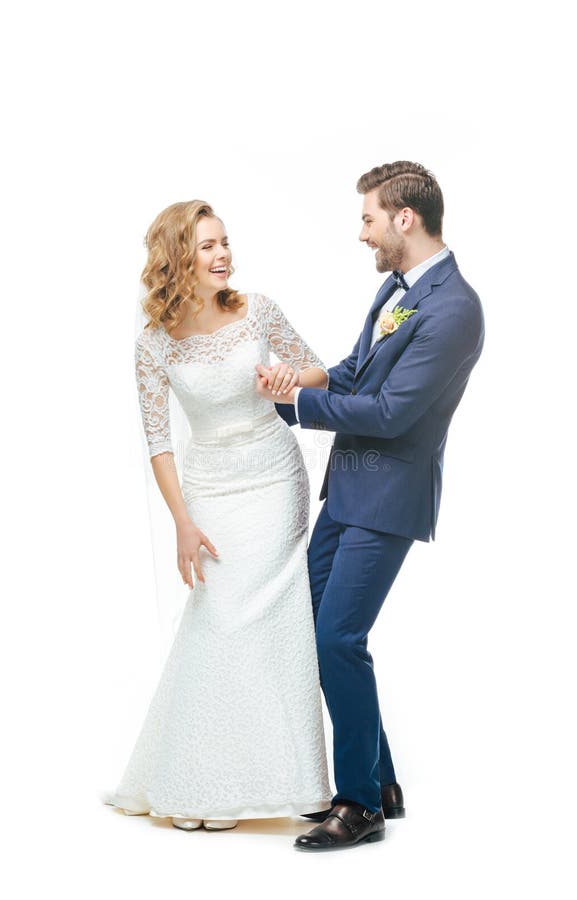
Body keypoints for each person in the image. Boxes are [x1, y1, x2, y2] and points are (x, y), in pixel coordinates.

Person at [261, 160, 485, 850]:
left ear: (403, 219)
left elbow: (390, 413)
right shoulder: (398, 286)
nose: (361, 233)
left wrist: (295, 404)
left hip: (388, 496)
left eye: (367, 218)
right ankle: (381, 778)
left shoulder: (453, 306)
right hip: (348, 488)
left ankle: (357, 804)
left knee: (337, 639)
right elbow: (360, 370)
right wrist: (304, 375)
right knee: (312, 629)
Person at [102, 200, 332, 831]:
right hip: (208, 490)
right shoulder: (151, 344)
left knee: (276, 623)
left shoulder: (258, 309)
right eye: (207, 246)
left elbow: (319, 373)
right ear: (178, 258)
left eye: (225, 242)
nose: (223, 254)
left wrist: (286, 378)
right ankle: (202, 779)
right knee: (218, 620)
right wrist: (181, 519)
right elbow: (157, 439)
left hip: (274, 479)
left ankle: (295, 782)